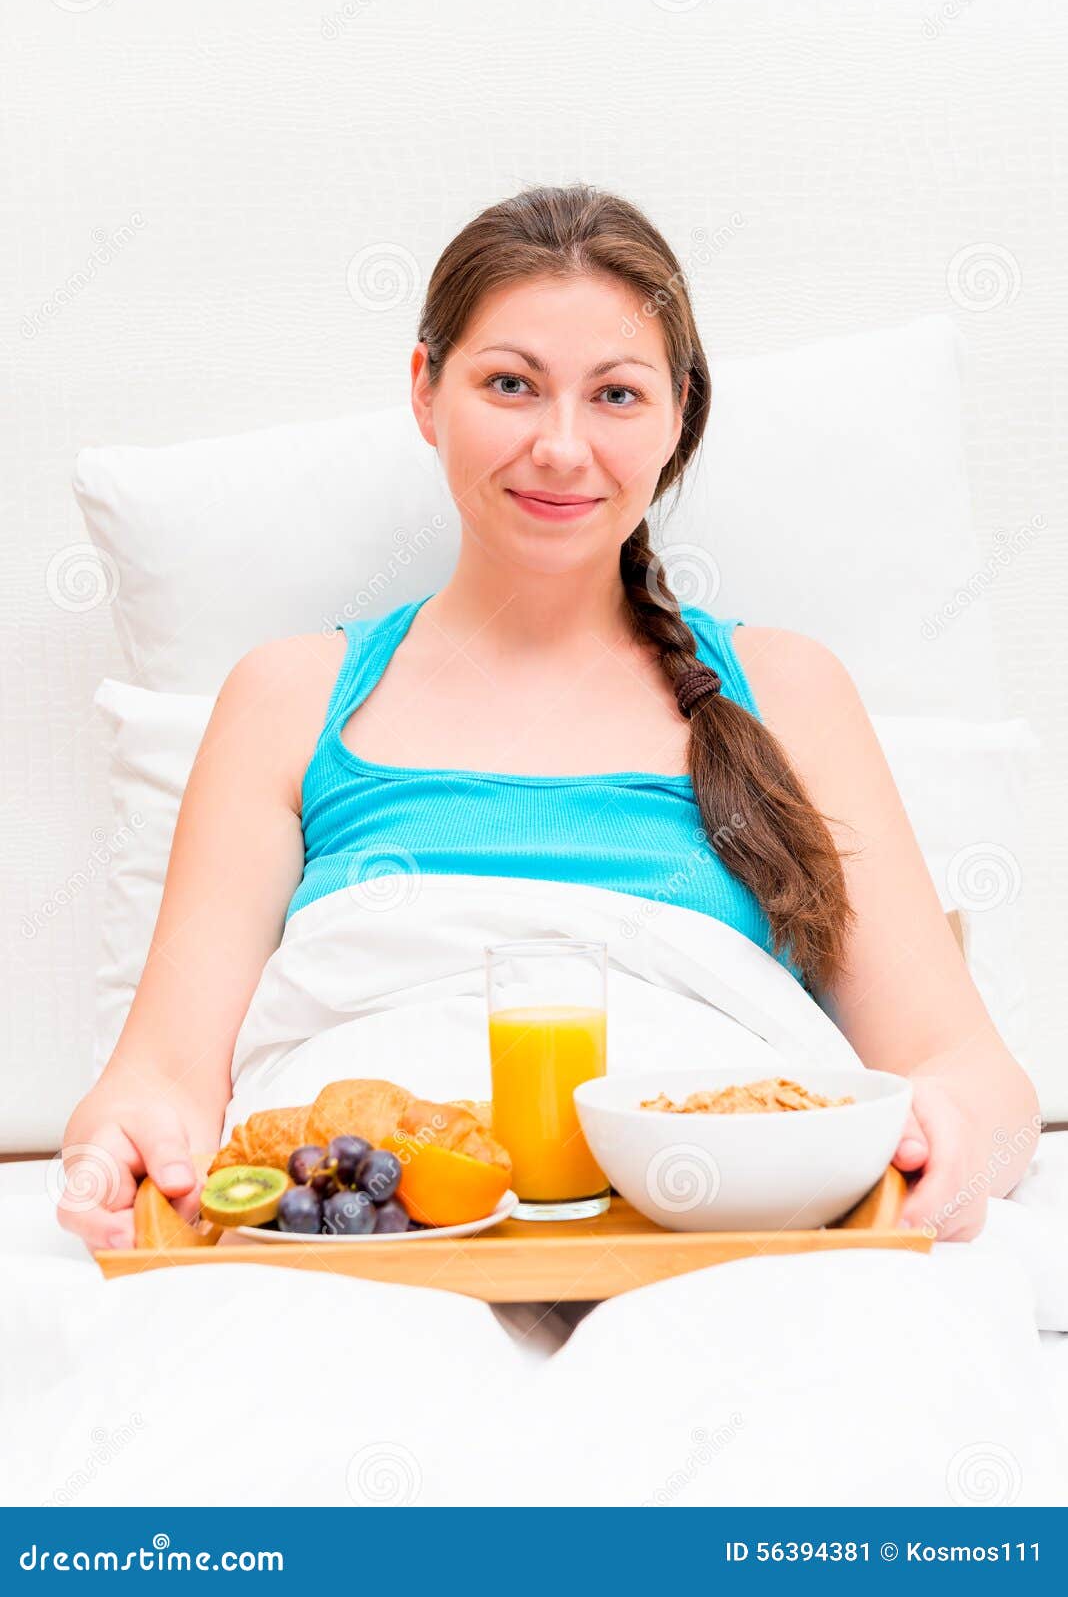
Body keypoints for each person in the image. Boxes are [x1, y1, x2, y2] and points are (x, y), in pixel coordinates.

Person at [59, 182, 1038, 1264]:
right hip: (371, 1243)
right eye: (511, 384)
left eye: (616, 395)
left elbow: (975, 1080)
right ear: (427, 392)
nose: (562, 447)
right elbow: (162, 1077)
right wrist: (125, 1148)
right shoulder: (287, 698)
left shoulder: (786, 692)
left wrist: (960, 1147)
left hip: (714, 1242)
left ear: (677, 418)